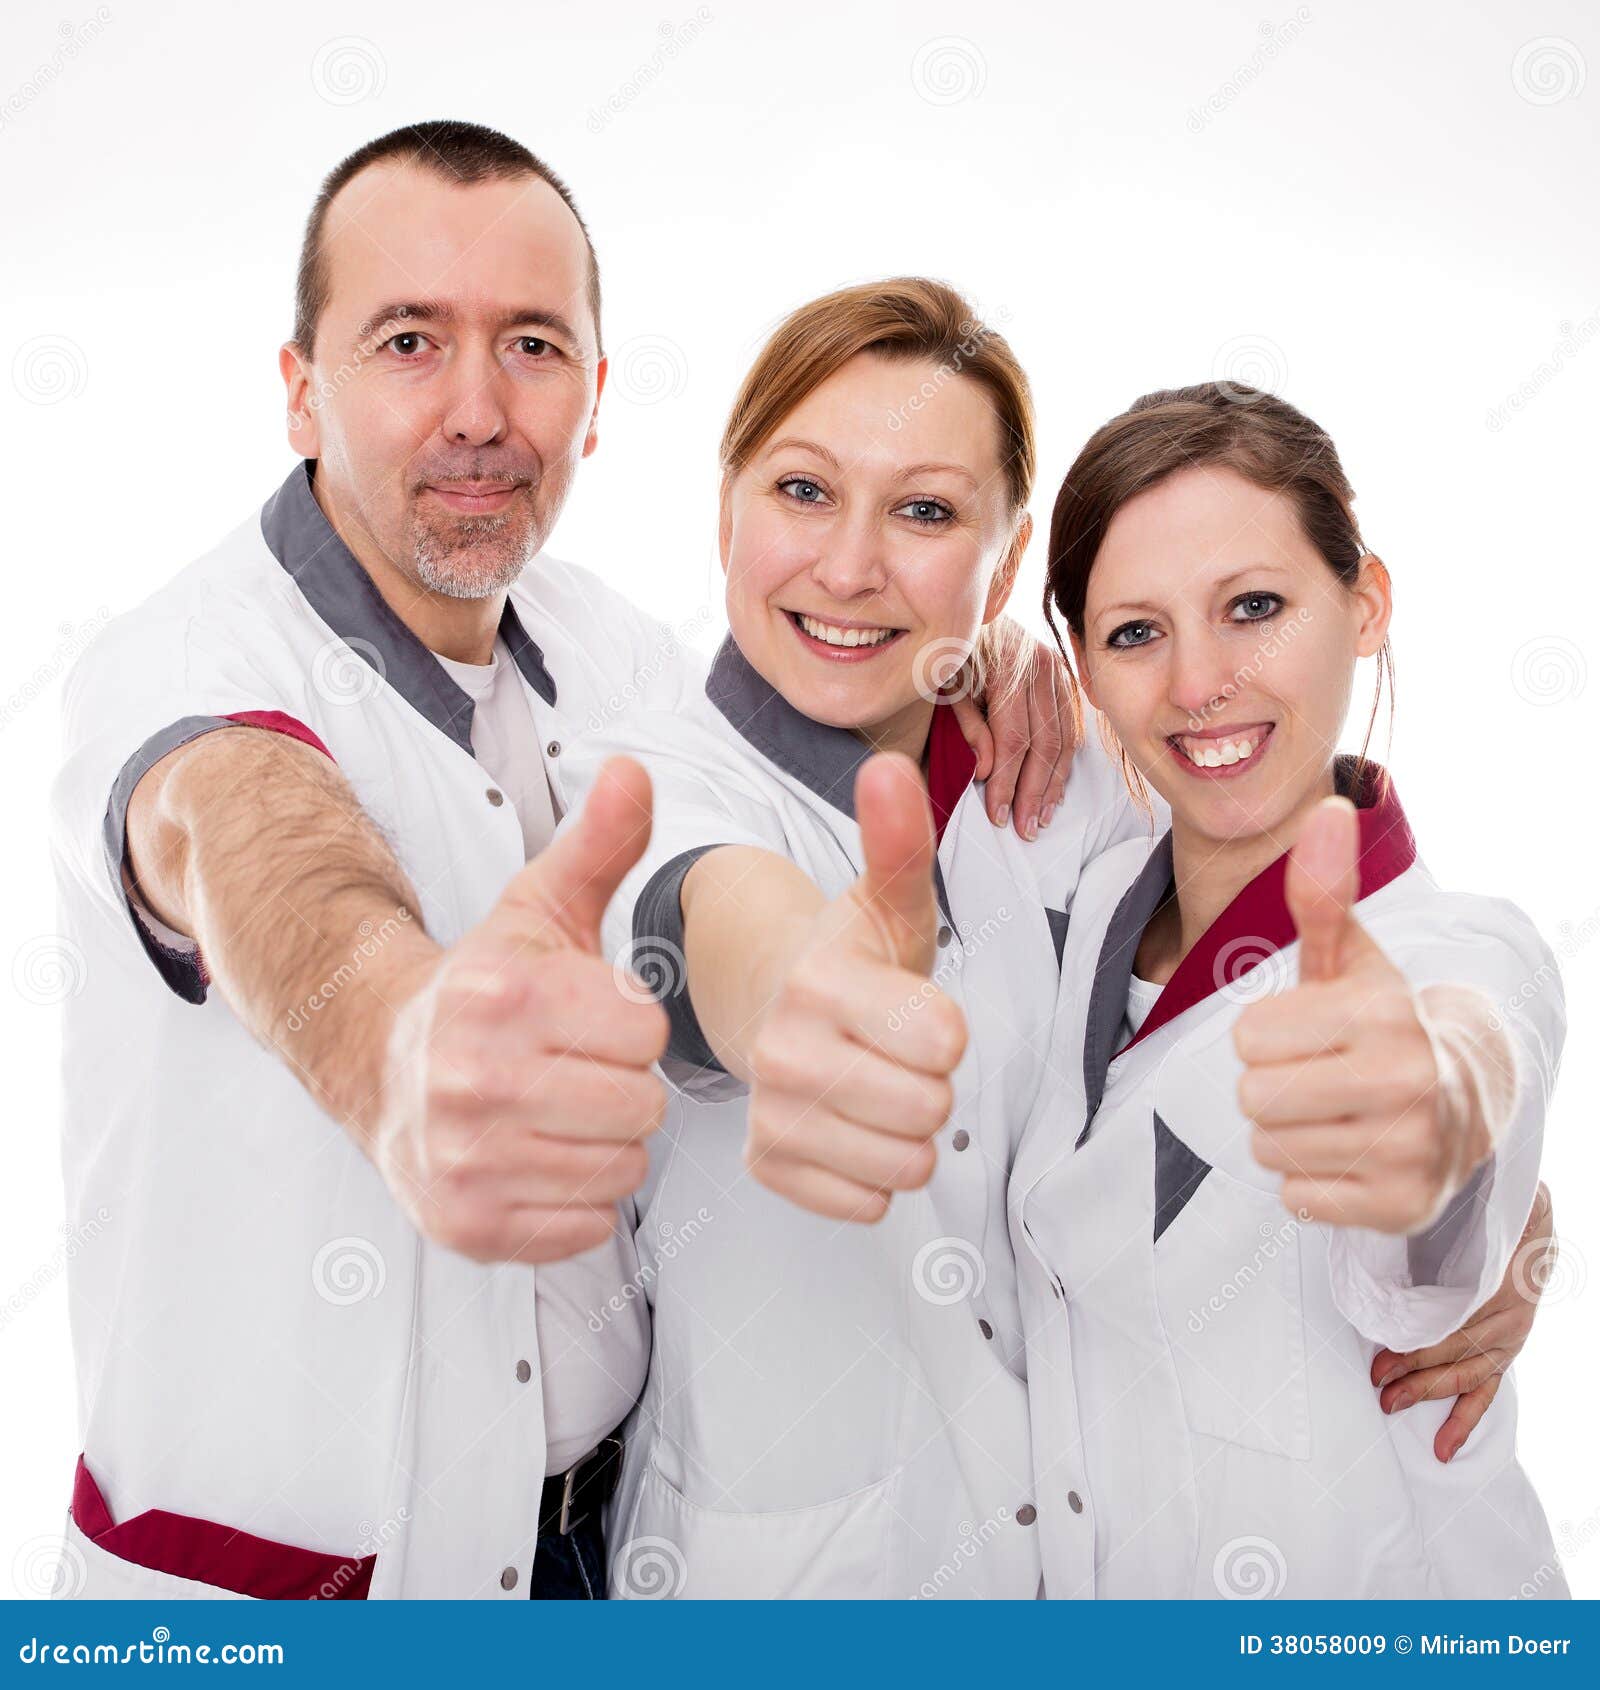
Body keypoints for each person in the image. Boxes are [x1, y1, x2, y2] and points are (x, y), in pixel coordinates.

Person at [47, 122, 1078, 1601]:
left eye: (530, 345)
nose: (478, 409)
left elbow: (810, 679)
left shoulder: (609, 651)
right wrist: (390, 1033)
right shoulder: (184, 661)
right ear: (299, 391)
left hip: (593, 1553)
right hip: (282, 1594)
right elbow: (245, 827)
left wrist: (984, 652)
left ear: (597, 401)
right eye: (409, 340)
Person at [560, 283, 1555, 1598]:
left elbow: (1464, 1043)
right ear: (725, 504)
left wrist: (1473, 1180)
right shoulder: (640, 787)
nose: (852, 566)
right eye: (803, 491)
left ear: (1007, 560)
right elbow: (704, 918)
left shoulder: (1082, 797)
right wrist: (801, 993)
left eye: (926, 510)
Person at [1009, 383, 1566, 1598]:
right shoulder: (1085, 898)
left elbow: (1470, 1060)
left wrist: (1435, 1131)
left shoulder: (1455, 948)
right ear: (1081, 670)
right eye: (1135, 633)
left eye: (1253, 608)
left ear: (1363, 602)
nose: (1199, 682)